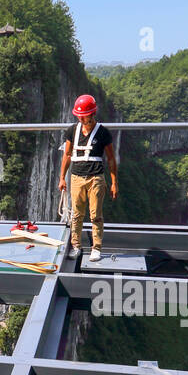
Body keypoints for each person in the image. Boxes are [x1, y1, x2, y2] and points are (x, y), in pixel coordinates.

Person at [58, 94, 118, 262]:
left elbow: (111, 158)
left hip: (96, 178)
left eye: (84, 116)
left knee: (95, 215)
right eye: (80, 116)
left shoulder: (103, 133)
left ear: (92, 114)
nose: (82, 119)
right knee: (76, 215)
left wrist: (114, 182)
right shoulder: (72, 130)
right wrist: (62, 178)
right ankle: (76, 246)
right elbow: (67, 155)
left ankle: (96, 248)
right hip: (76, 177)